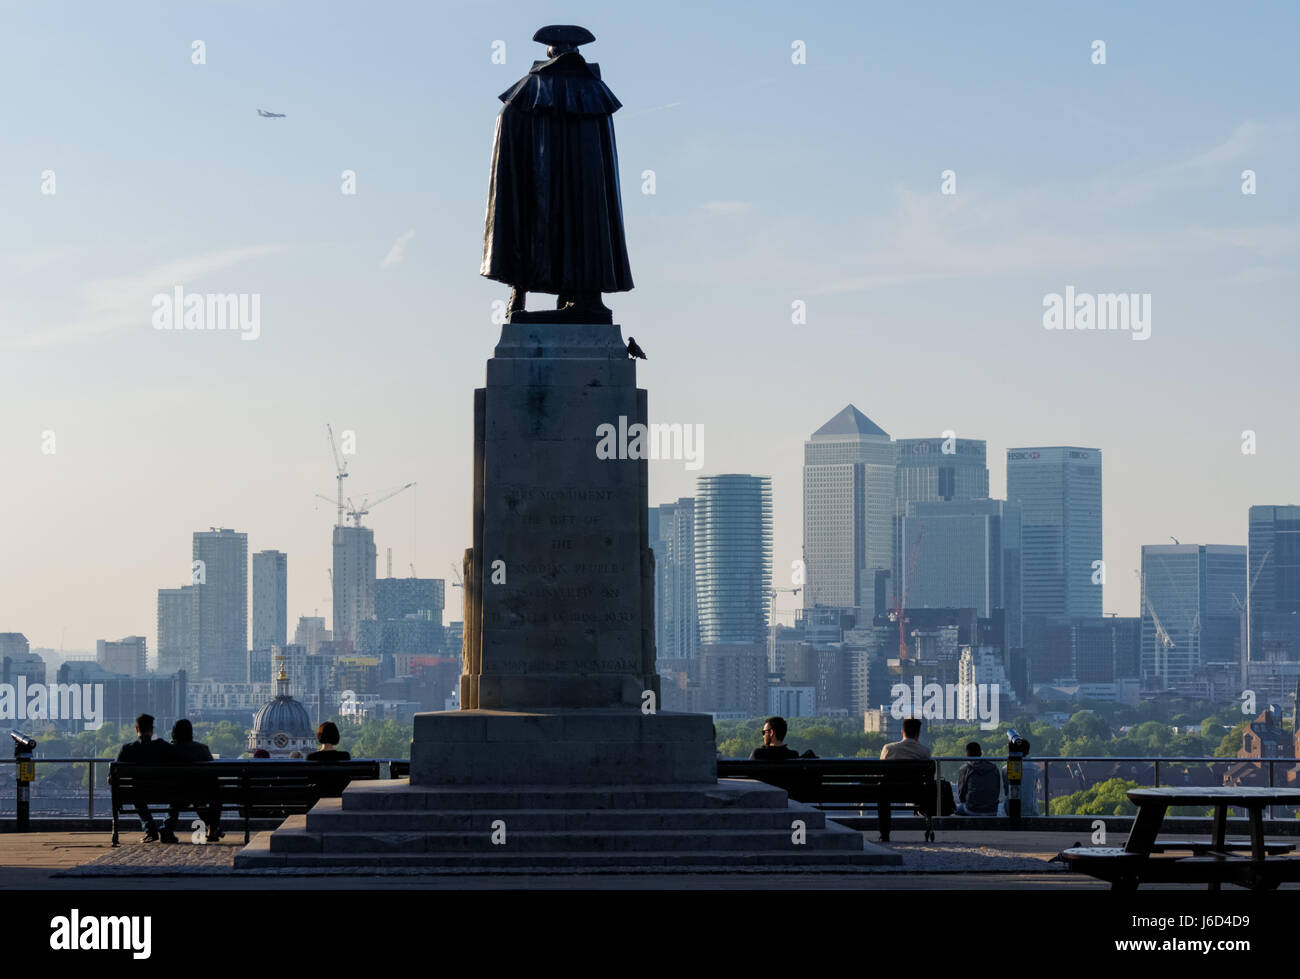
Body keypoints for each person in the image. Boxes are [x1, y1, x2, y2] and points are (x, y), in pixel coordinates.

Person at [111, 713, 178, 843]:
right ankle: (167, 829)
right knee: (176, 796)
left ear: (137, 729)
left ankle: (150, 830)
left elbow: (112, 777)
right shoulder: (163, 746)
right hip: (167, 792)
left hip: (138, 793)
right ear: (152, 729)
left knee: (135, 794)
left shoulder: (127, 749)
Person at [165, 719, 222, 842]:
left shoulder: (169, 750)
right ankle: (213, 828)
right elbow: (213, 777)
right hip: (201, 793)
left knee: (180, 796)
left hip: (175, 793)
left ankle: (167, 828)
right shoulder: (202, 749)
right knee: (206, 794)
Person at [1000, 737, 1043, 817]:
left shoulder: (1005, 768)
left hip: (1011, 811)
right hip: (1031, 810)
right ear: (1027, 751)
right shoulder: (1034, 768)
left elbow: (1006, 792)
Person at [955, 742, 1000, 816]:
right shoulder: (994, 768)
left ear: (967, 754)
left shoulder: (965, 769)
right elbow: (997, 790)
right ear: (980, 753)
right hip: (992, 810)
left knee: (957, 810)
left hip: (972, 809)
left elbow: (961, 795)